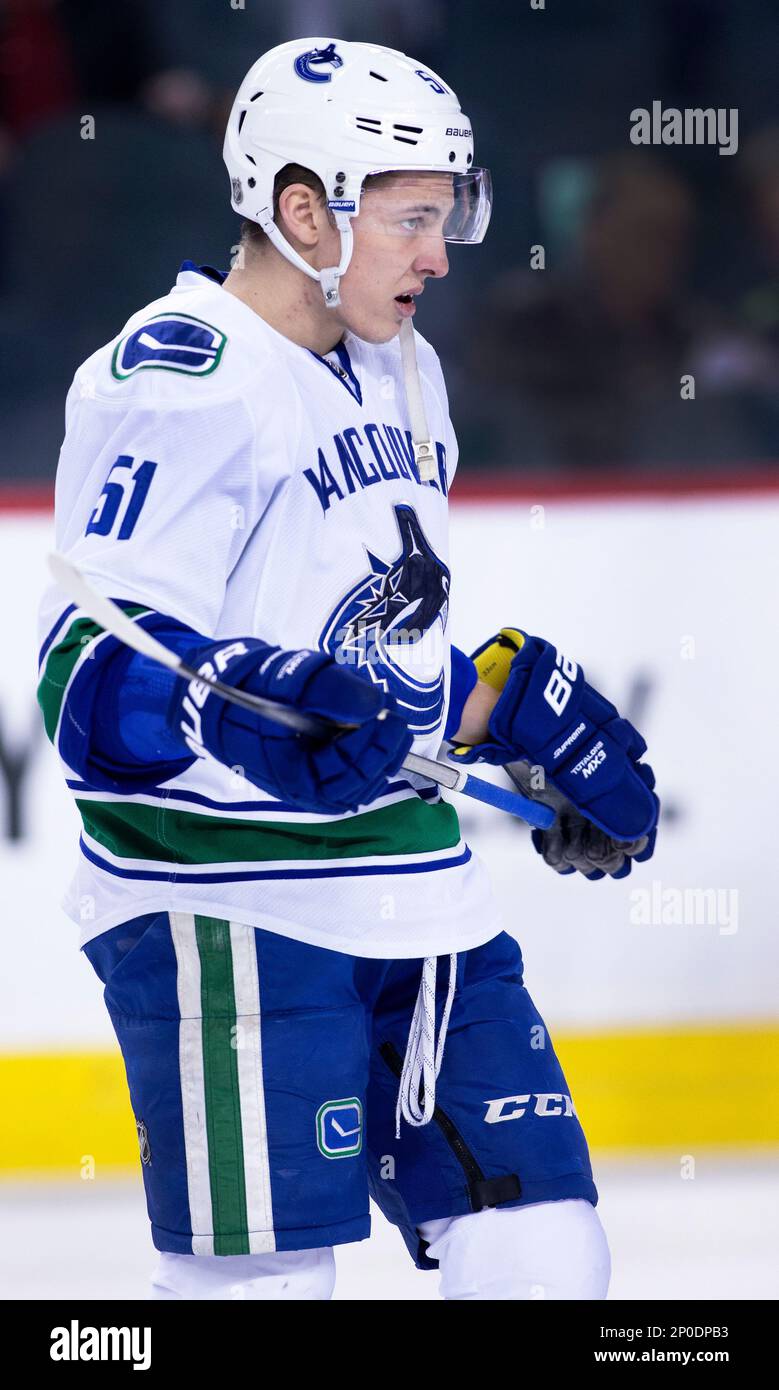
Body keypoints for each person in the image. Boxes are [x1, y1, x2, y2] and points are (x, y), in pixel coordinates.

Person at [37, 37, 658, 1301]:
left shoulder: (402, 364)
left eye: (450, 214)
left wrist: (511, 708)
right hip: (231, 910)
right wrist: (222, 704)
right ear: (301, 205)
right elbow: (84, 675)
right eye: (411, 218)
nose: (439, 254)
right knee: (265, 1290)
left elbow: (376, 658)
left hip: (420, 890)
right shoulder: (182, 378)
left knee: (547, 1259)